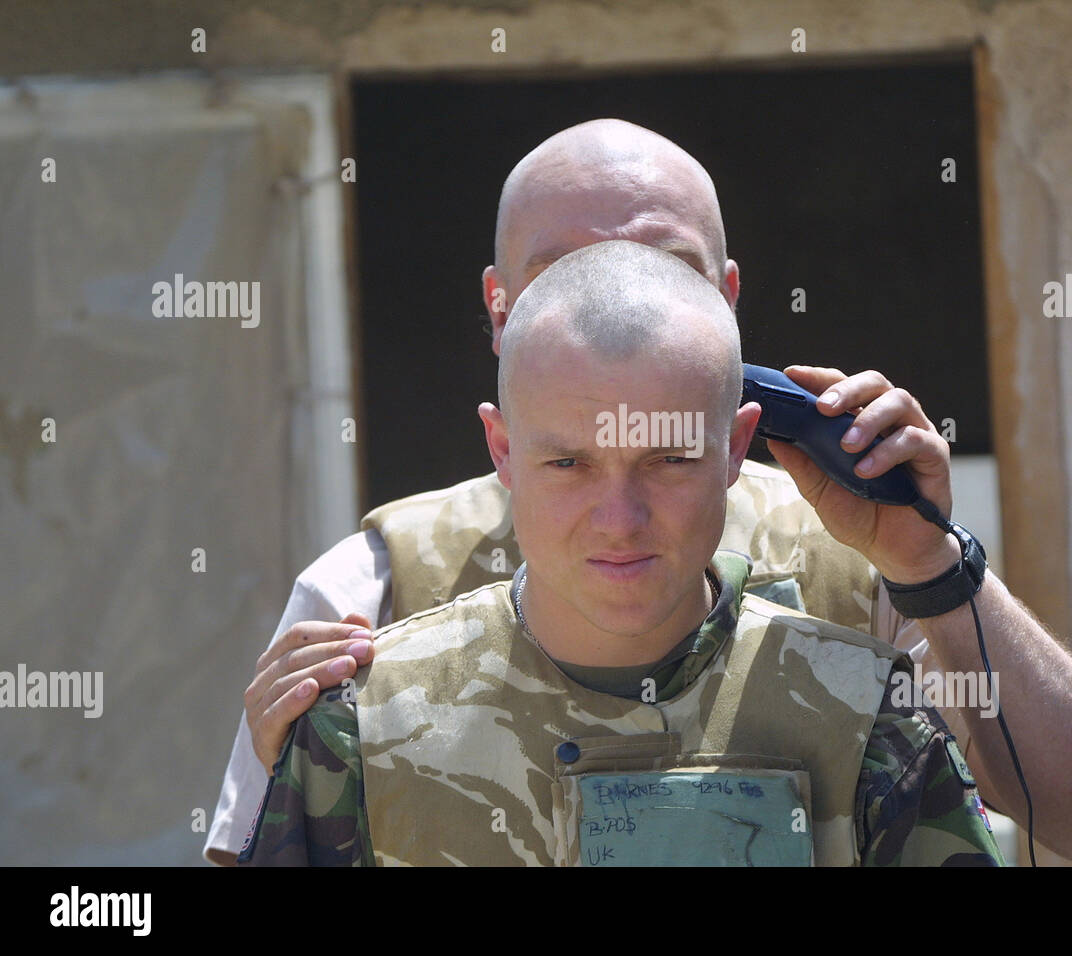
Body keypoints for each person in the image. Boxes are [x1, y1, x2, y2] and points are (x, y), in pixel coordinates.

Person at [209, 119, 1072, 866]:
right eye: (561, 273)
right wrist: (280, 769)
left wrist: (932, 569)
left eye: (665, 267)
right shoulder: (375, 584)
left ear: (727, 302)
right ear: (501, 310)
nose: (616, 297)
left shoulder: (852, 568)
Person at [238, 240, 1006, 867]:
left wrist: (934, 567)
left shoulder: (867, 715)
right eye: (569, 464)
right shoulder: (361, 727)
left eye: (668, 461)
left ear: (736, 447)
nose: (620, 520)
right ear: (502, 452)